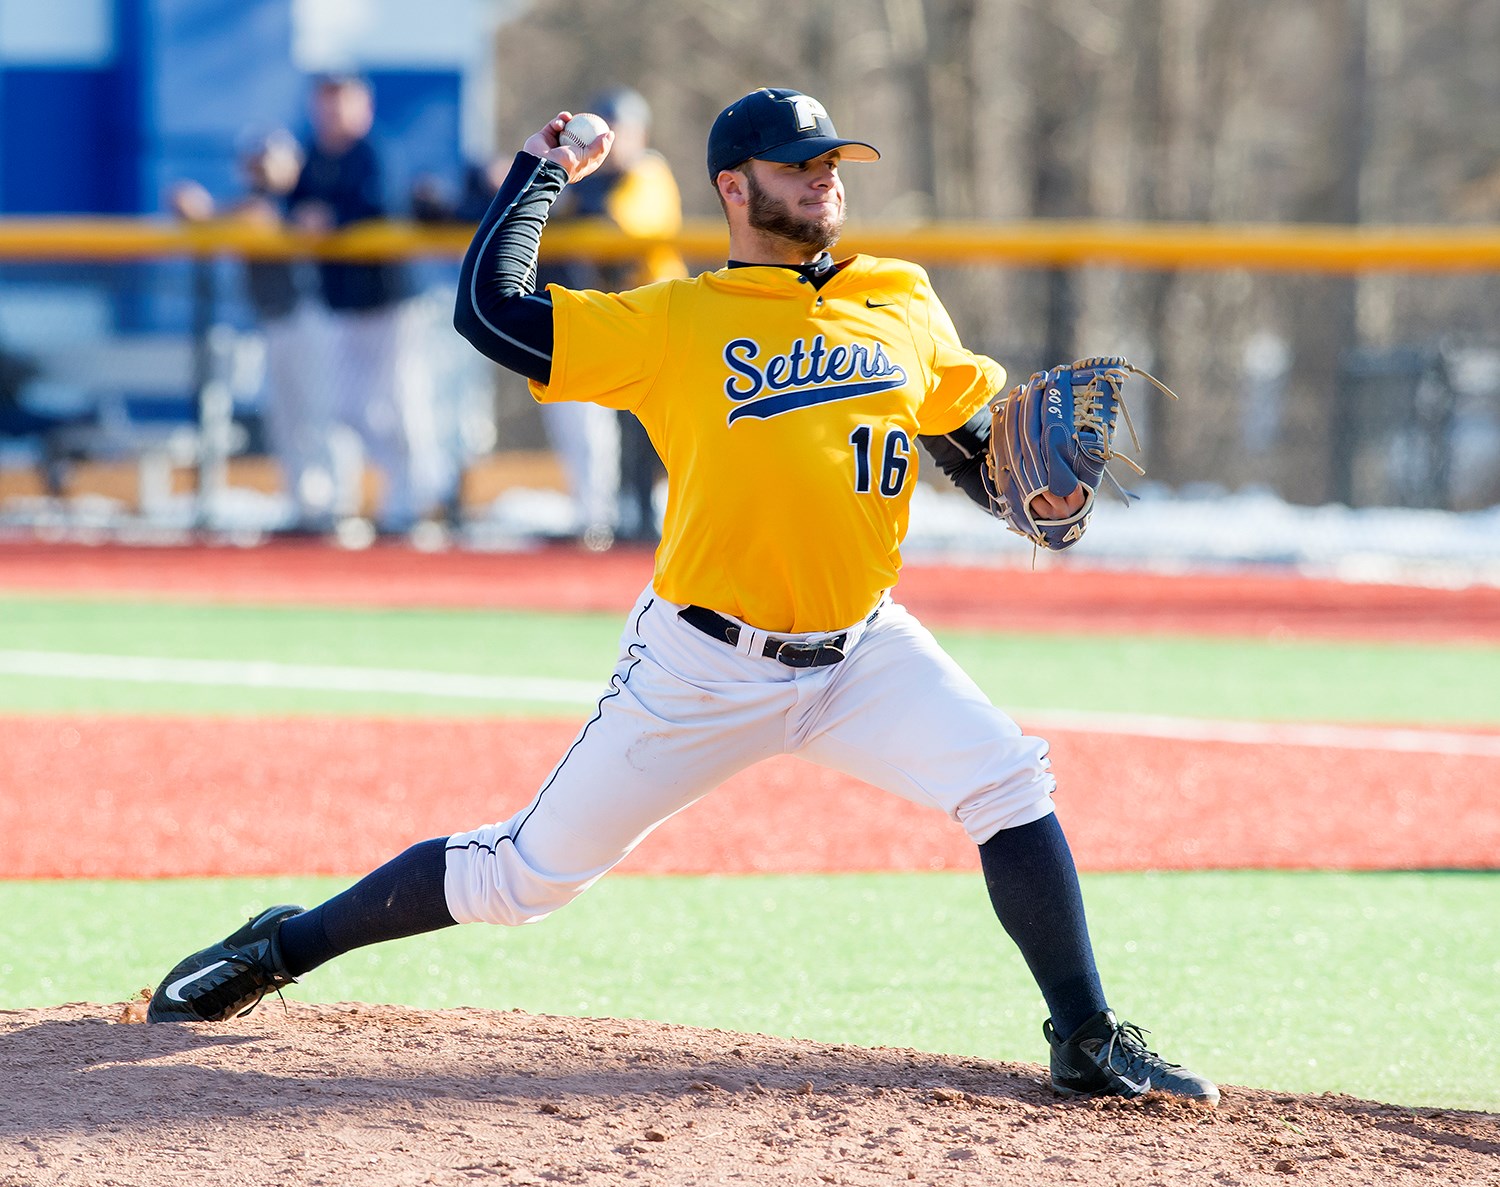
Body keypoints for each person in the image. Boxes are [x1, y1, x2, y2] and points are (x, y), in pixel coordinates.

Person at [145, 87, 1218, 1106]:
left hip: (864, 652)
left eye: (832, 161)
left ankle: (1085, 1038)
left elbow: (965, 442)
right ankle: (281, 945)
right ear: (733, 189)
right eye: (796, 166)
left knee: (1007, 782)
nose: (824, 178)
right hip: (702, 666)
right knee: (521, 880)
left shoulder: (900, 297)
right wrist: (540, 173)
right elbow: (489, 312)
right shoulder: (674, 322)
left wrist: (1027, 495)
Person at [286, 73, 448, 538]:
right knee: (344, 407)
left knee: (401, 401)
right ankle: (403, 491)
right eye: (326, 104)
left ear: (363, 107)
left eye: (342, 103)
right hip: (341, 302)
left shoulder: (374, 152)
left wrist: (331, 218)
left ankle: (418, 502)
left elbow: (380, 204)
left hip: (389, 300)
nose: (333, 113)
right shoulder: (313, 156)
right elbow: (292, 206)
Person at [532, 87, 687, 547]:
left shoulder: (648, 172)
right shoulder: (595, 181)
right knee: (619, 425)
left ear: (641, 134)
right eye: (610, 128)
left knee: (651, 432)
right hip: (624, 315)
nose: (615, 139)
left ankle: (646, 518)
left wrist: (568, 201)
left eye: (623, 129)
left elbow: (615, 225)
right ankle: (624, 517)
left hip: (661, 312)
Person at [169, 131, 344, 535]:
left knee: (321, 413)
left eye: (270, 159)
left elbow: (260, 216)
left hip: (316, 316)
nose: (262, 167)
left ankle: (336, 505)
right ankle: (304, 507)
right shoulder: (255, 198)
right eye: (256, 160)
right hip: (276, 319)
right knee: (285, 417)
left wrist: (209, 211)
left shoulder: (307, 190)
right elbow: (235, 215)